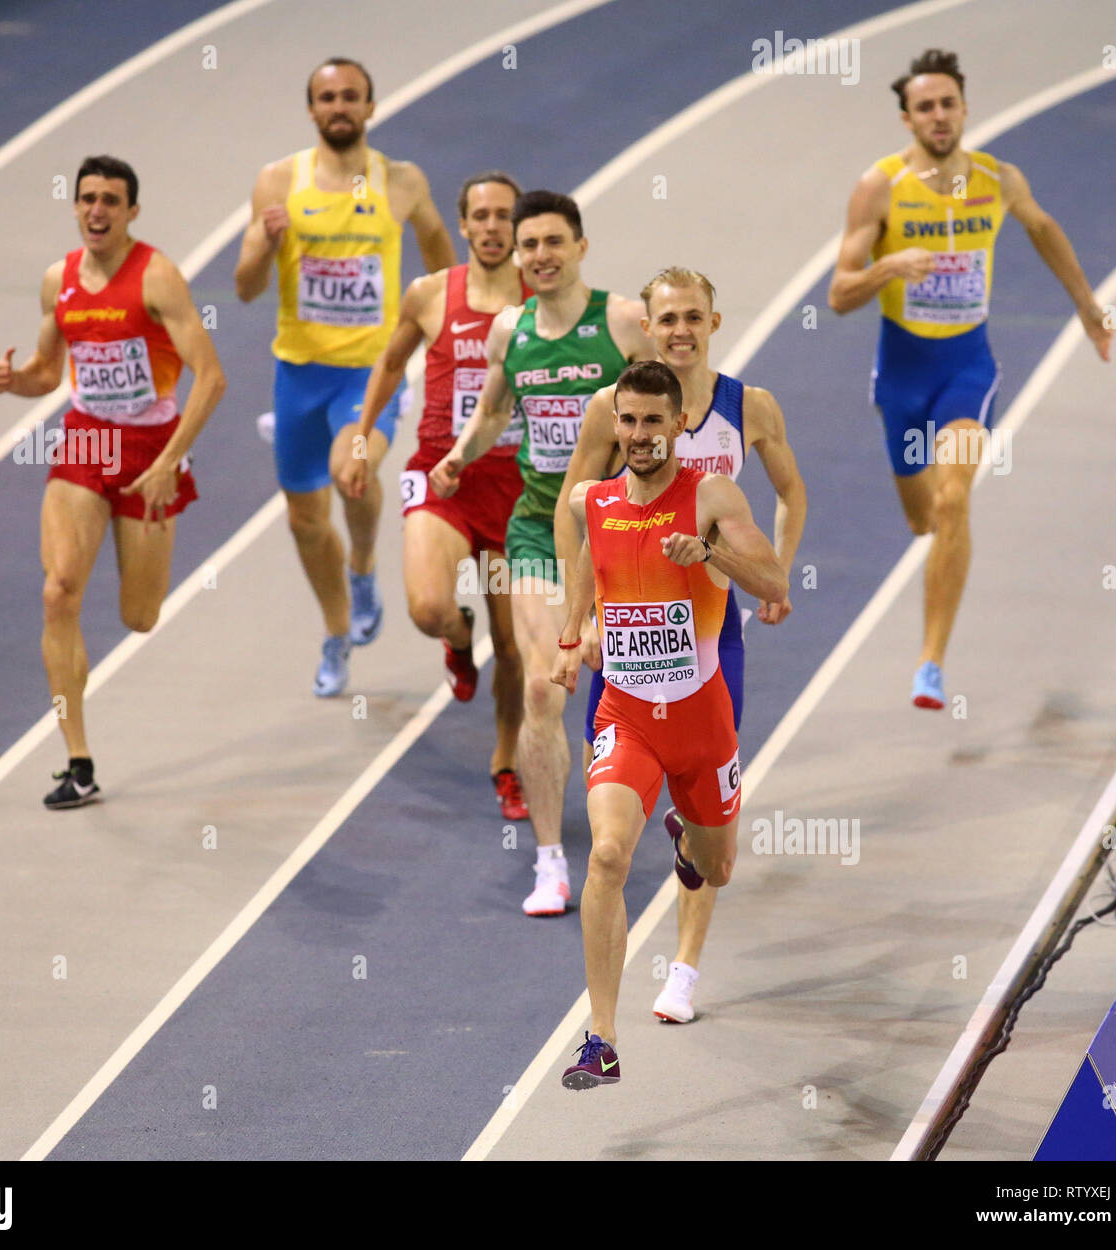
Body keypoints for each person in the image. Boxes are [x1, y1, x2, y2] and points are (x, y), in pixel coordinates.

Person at [557, 266, 806, 1022]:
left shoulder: (748, 408)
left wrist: (777, 578)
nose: (681, 332)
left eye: (693, 318)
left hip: (709, 633)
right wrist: (580, 623)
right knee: (608, 843)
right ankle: (603, 1028)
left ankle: (686, 967)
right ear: (650, 327)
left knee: (713, 852)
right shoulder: (617, 407)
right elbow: (579, 514)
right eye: (667, 319)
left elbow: (791, 494)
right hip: (630, 643)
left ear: (713, 322)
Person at [829, 48, 1112, 708]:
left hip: (967, 368)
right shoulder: (880, 186)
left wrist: (1087, 306)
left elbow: (1043, 228)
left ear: (964, 109)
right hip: (900, 377)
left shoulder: (998, 178)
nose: (938, 115)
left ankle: (930, 665)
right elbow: (838, 295)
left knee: (955, 500)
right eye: (924, 106)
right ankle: (938, 548)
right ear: (907, 118)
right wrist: (889, 266)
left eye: (947, 103)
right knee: (924, 518)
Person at [429, 190, 651, 915]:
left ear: (581, 246)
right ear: (517, 256)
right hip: (537, 525)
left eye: (554, 241)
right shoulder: (509, 330)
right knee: (538, 687)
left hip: (622, 527)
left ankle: (665, 809)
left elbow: (668, 404)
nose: (541, 255)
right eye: (530, 245)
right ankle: (552, 859)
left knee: (645, 685)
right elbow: (496, 406)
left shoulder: (621, 321)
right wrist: (460, 456)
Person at [0, 155, 226, 808]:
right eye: (87, 198)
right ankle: (79, 759)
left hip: (152, 449)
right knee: (59, 592)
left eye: (111, 201)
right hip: (85, 441)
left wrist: (169, 461)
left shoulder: (158, 276)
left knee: (138, 616)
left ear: (131, 213)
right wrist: (18, 384)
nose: (97, 210)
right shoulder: (57, 280)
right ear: (74, 206)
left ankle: (82, 741)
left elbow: (211, 378)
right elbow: (46, 369)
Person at [235, 56, 456, 696]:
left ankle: (362, 567)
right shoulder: (278, 182)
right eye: (327, 97)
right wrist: (265, 246)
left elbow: (441, 252)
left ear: (370, 107)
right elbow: (246, 288)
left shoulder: (401, 181)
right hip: (299, 377)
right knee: (305, 520)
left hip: (371, 374)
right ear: (311, 110)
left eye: (351, 96)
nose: (339, 106)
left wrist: (451, 312)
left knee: (351, 472)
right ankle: (337, 633)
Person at [339, 171, 532, 820]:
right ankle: (456, 632)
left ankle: (506, 764)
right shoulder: (429, 295)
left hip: (517, 490)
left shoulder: (542, 299)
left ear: (518, 226)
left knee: (514, 651)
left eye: (504, 216)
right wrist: (363, 437)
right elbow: (390, 364)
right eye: (480, 216)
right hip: (443, 476)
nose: (492, 227)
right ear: (463, 224)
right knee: (426, 607)